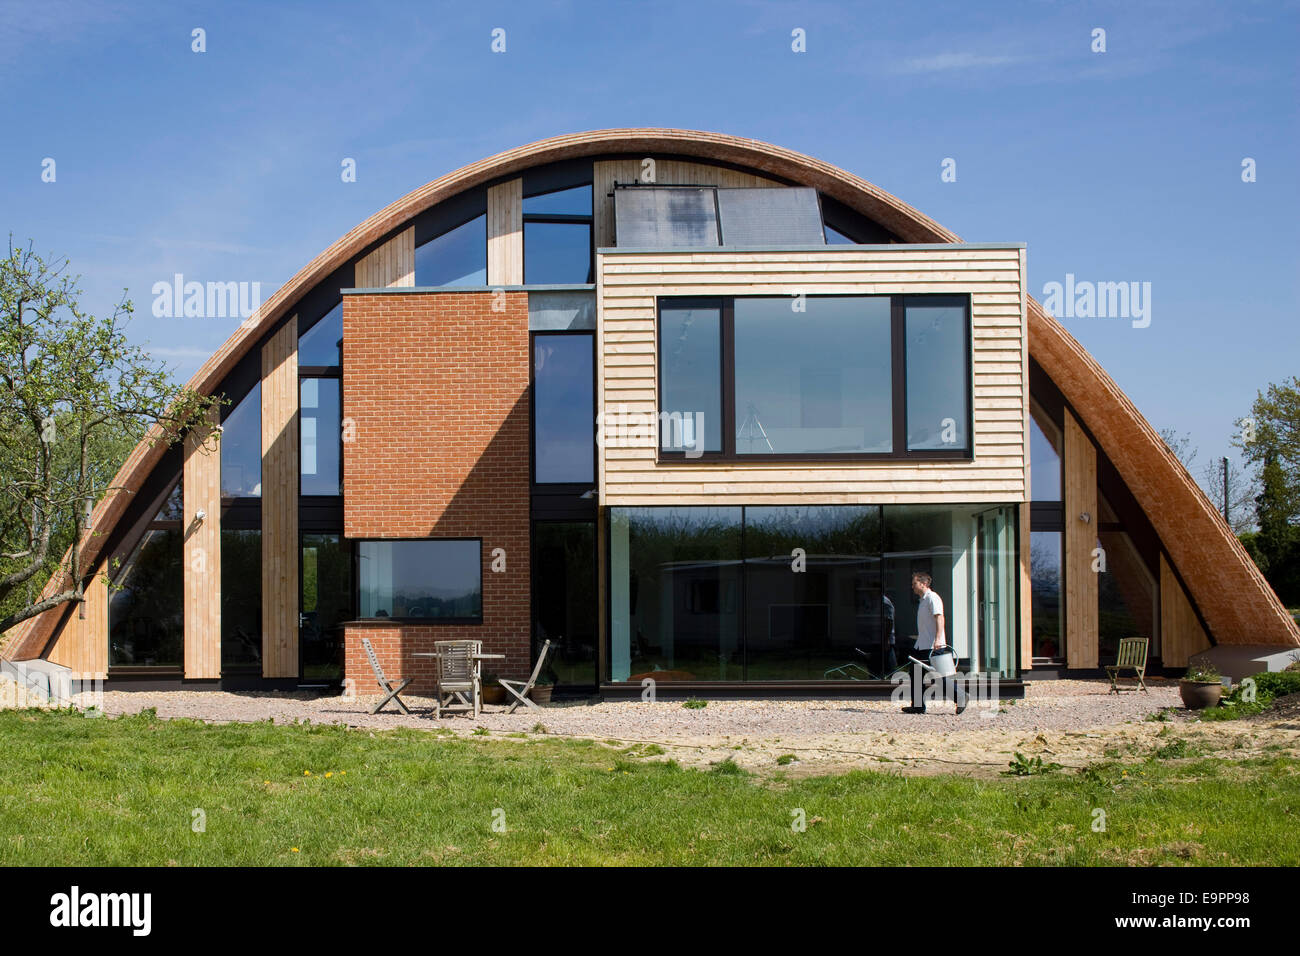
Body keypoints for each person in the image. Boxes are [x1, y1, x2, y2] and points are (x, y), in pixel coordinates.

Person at [902, 571, 965, 714]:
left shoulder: (932, 598)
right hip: (922, 645)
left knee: (938, 676)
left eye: (914, 584)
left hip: (932, 646)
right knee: (916, 674)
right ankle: (917, 705)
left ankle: (961, 696)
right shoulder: (923, 600)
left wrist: (938, 638)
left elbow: (940, 618)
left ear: (923, 584)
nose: (912, 587)